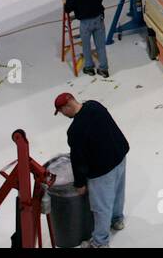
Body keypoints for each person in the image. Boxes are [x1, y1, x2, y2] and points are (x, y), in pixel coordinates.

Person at [54, 92, 128, 248]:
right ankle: (117, 220)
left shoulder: (75, 130)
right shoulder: (94, 105)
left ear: (67, 106)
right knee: (118, 192)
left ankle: (100, 243)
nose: (62, 114)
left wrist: (80, 183)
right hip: (120, 156)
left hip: (102, 170)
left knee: (101, 206)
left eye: (61, 111)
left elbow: (78, 159)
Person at [65, 0, 108, 77]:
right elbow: (100, 0)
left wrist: (68, 3)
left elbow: (68, 8)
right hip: (98, 19)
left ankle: (89, 67)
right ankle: (103, 68)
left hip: (85, 23)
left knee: (86, 45)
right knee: (101, 46)